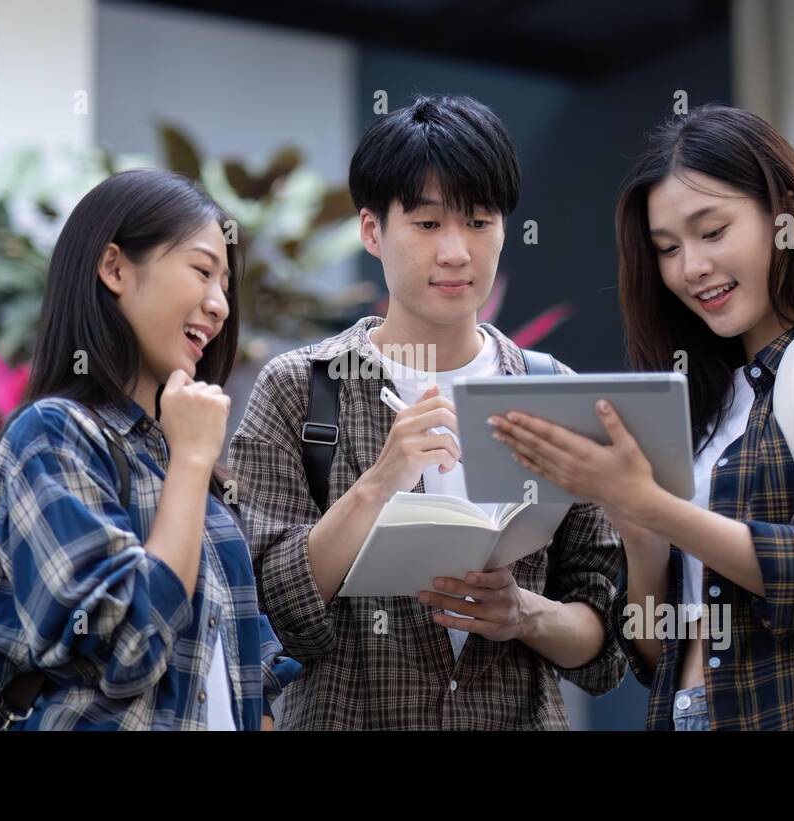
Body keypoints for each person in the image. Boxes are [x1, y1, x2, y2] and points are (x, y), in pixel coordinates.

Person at [492, 104, 794, 730]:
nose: (690, 268)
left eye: (712, 232)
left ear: (783, 217)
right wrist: (639, 531)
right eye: (667, 248)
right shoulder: (699, 403)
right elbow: (653, 654)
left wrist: (648, 502)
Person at [229, 95, 626, 730]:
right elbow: (260, 614)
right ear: (371, 230)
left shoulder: (550, 390)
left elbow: (604, 641)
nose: (455, 252)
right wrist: (378, 485)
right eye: (426, 224)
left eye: (478, 222)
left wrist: (524, 614)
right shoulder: (302, 387)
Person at [0, 169, 298, 730]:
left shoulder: (187, 471)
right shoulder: (53, 437)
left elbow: (255, 675)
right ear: (114, 268)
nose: (221, 304)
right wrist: (192, 461)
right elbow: (126, 647)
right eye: (203, 270)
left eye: (225, 284)